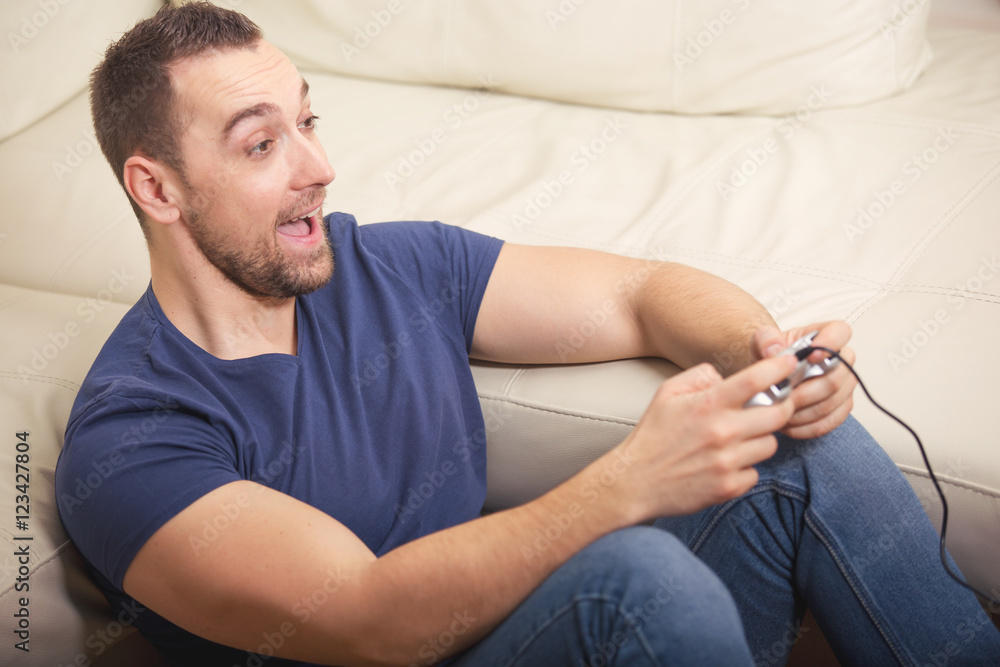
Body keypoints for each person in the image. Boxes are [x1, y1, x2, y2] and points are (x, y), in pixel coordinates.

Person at [55, 3, 1000, 666]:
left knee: (790, 435)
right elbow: (364, 618)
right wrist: (629, 483)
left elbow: (640, 291)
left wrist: (767, 357)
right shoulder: (135, 436)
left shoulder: (389, 266)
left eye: (309, 121)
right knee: (632, 580)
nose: (321, 166)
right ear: (158, 187)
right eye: (263, 144)